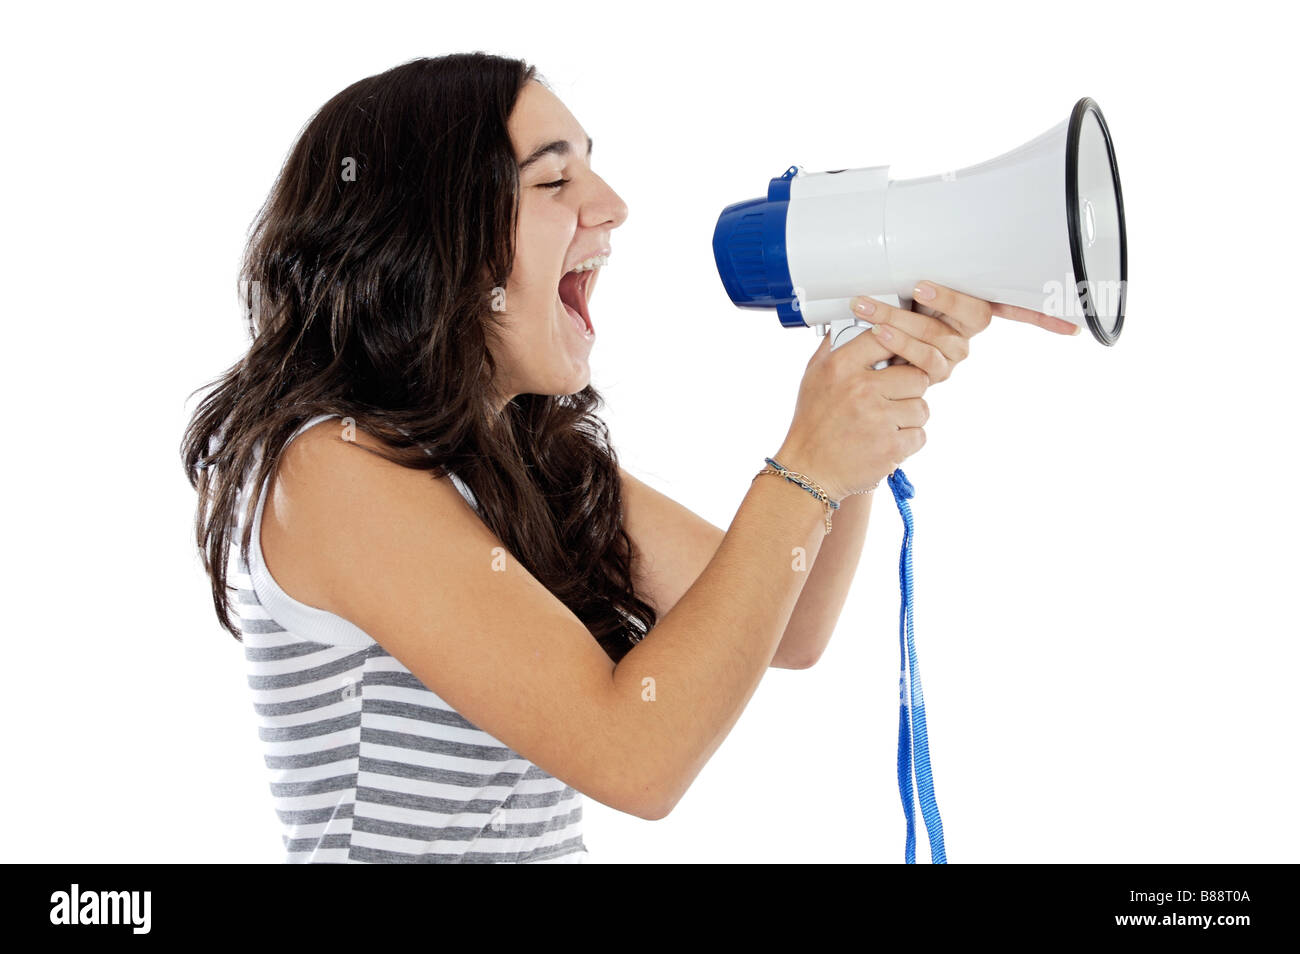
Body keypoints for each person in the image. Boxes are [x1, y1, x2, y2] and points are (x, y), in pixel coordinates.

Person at [180, 52, 1076, 864]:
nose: (610, 205)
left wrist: (858, 418)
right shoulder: (332, 471)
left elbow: (789, 621)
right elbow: (635, 755)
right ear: (429, 233)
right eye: (552, 179)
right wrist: (806, 462)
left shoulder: (519, 454)